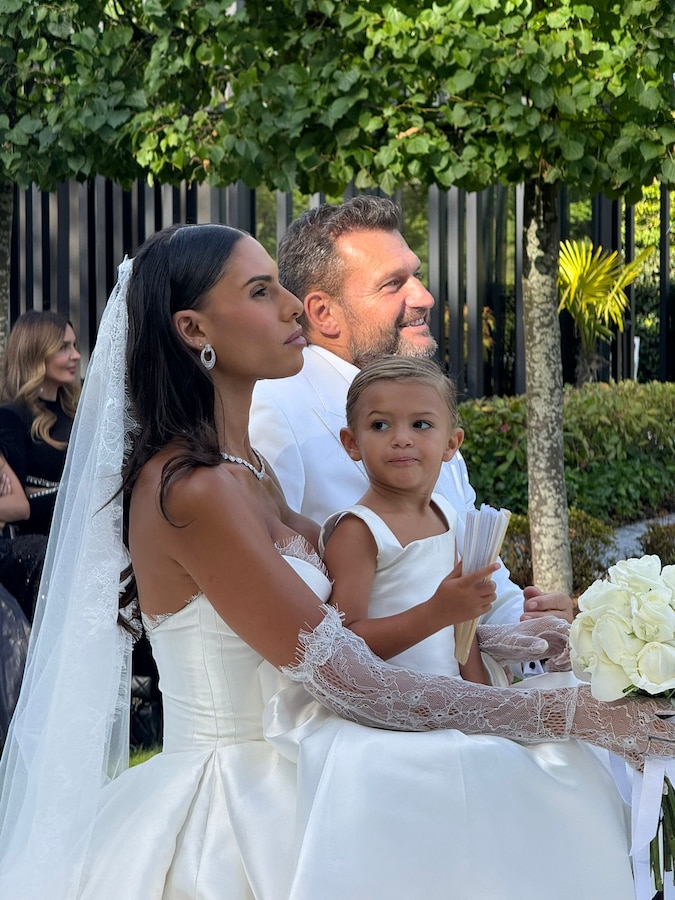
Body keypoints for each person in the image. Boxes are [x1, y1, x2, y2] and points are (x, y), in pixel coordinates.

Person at [0, 223, 672, 900]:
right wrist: (565, 715)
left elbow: (336, 625)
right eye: (261, 291)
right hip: (242, 797)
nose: (294, 306)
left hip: (304, 745)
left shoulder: (245, 469)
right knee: (532, 775)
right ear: (193, 329)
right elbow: (346, 676)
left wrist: (512, 644)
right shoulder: (193, 489)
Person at [249, 195, 572, 629]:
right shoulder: (274, 410)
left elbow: (471, 573)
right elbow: (278, 611)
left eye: (415, 276)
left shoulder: (422, 403)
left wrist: (531, 619)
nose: (424, 297)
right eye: (392, 284)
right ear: (323, 313)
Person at [321, 355, 503, 685]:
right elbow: (343, 645)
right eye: (380, 425)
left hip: (452, 698)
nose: (402, 438)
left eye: (420, 425)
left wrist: (485, 698)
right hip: (393, 703)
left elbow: (462, 634)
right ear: (352, 443)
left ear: (451, 443)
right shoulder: (359, 531)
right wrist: (436, 612)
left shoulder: (444, 514)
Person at [0, 309, 81, 537]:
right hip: (40, 548)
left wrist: (42, 491)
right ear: (35, 354)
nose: (76, 355)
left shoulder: (76, 412)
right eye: (63, 347)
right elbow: (19, 508)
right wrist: (76, 492)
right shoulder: (11, 417)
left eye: (74, 345)